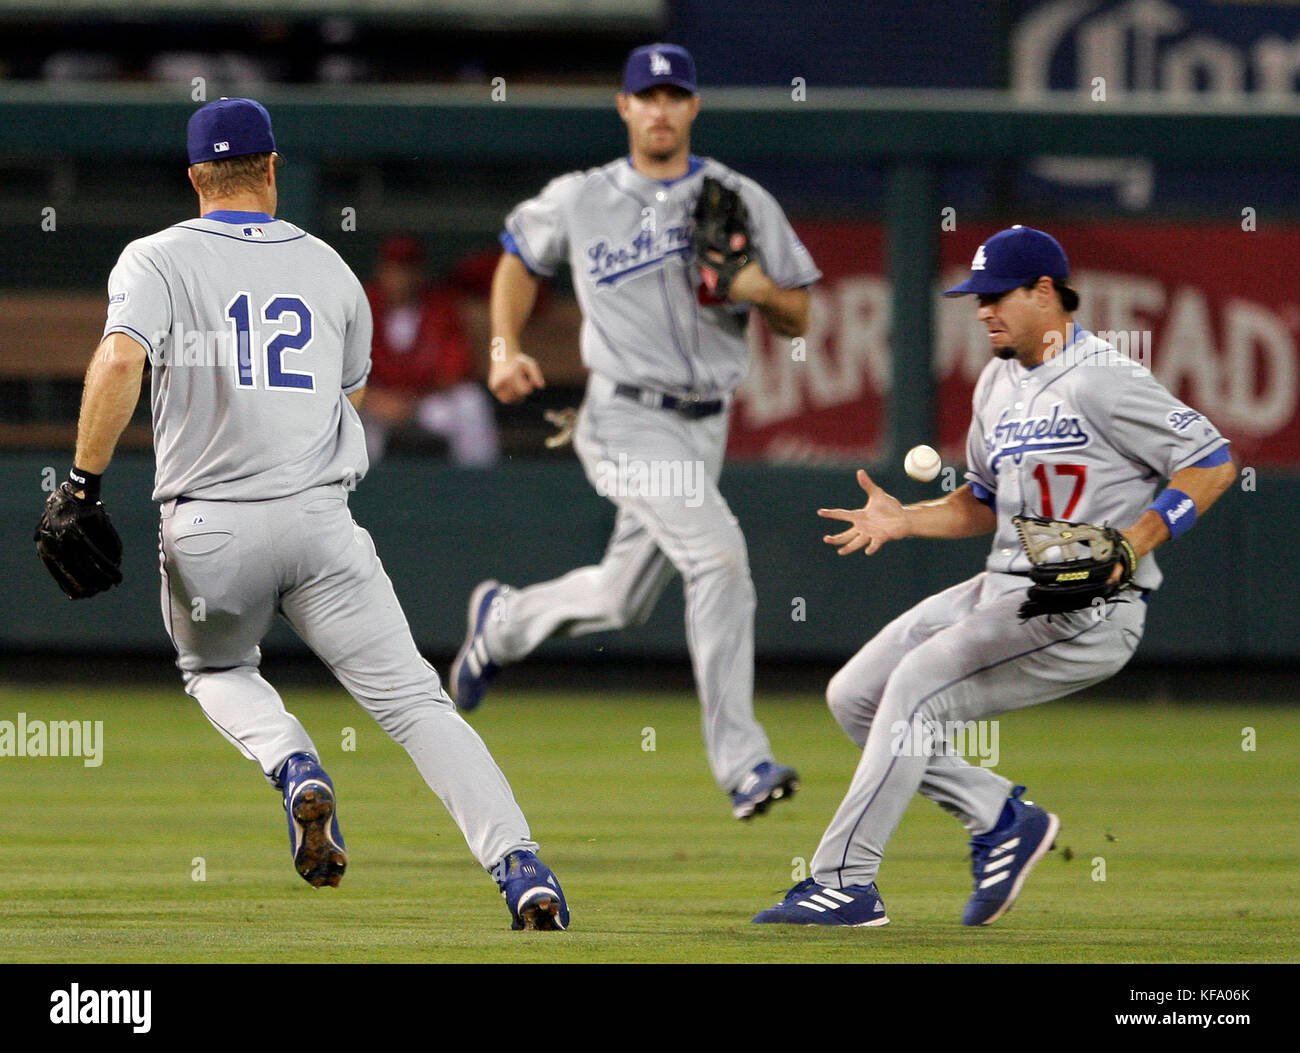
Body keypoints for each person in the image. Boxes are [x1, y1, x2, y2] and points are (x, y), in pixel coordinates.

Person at [52, 97, 567, 931]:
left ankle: (293, 762)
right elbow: (351, 395)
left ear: (194, 179)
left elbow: (119, 359)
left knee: (217, 670)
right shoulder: (331, 268)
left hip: (210, 526)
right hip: (322, 524)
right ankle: (521, 867)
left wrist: (80, 483)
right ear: (273, 169)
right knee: (418, 707)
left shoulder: (155, 257)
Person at [752, 226, 1236, 926]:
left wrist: (1136, 540)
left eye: (994, 296)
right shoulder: (998, 380)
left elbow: (1212, 460)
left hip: (1087, 605)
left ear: (1046, 292)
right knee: (854, 694)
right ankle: (999, 814)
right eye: (975, 299)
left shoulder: (1105, 375)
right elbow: (981, 501)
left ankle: (844, 881)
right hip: (1003, 585)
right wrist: (905, 519)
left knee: (916, 686)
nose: (981, 311)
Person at [449, 43, 821, 820]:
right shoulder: (581, 198)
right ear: (623, 107)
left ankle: (505, 622)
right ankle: (744, 762)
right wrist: (504, 347)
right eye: (645, 97)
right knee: (718, 559)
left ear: (693, 107)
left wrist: (755, 286)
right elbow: (518, 257)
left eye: (673, 96)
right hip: (622, 414)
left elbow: (799, 313)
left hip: (705, 423)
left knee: (622, 598)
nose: (659, 109)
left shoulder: (736, 195)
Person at [359, 235, 500, 466]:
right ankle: (357, 497)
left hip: (425, 404)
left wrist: (411, 401)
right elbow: (342, 369)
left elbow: (457, 367)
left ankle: (479, 491)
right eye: (393, 269)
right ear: (381, 271)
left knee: (470, 402)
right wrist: (375, 400)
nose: (400, 278)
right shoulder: (362, 304)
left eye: (407, 270)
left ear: (419, 272)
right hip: (375, 404)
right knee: (349, 417)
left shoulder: (440, 306)